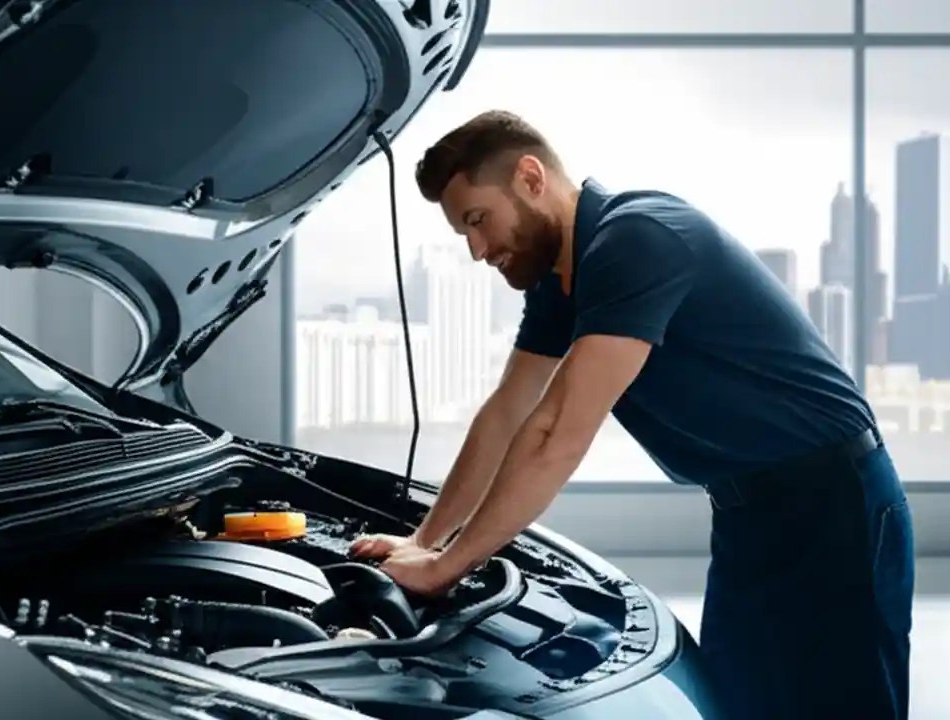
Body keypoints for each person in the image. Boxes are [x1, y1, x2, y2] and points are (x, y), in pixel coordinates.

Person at [349, 110, 915, 720]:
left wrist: (445, 569)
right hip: (749, 518)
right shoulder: (561, 281)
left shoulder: (638, 238)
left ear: (531, 177)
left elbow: (555, 433)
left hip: (837, 507)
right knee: (738, 705)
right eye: (465, 233)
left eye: (479, 220)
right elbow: (508, 414)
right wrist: (424, 540)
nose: (478, 250)